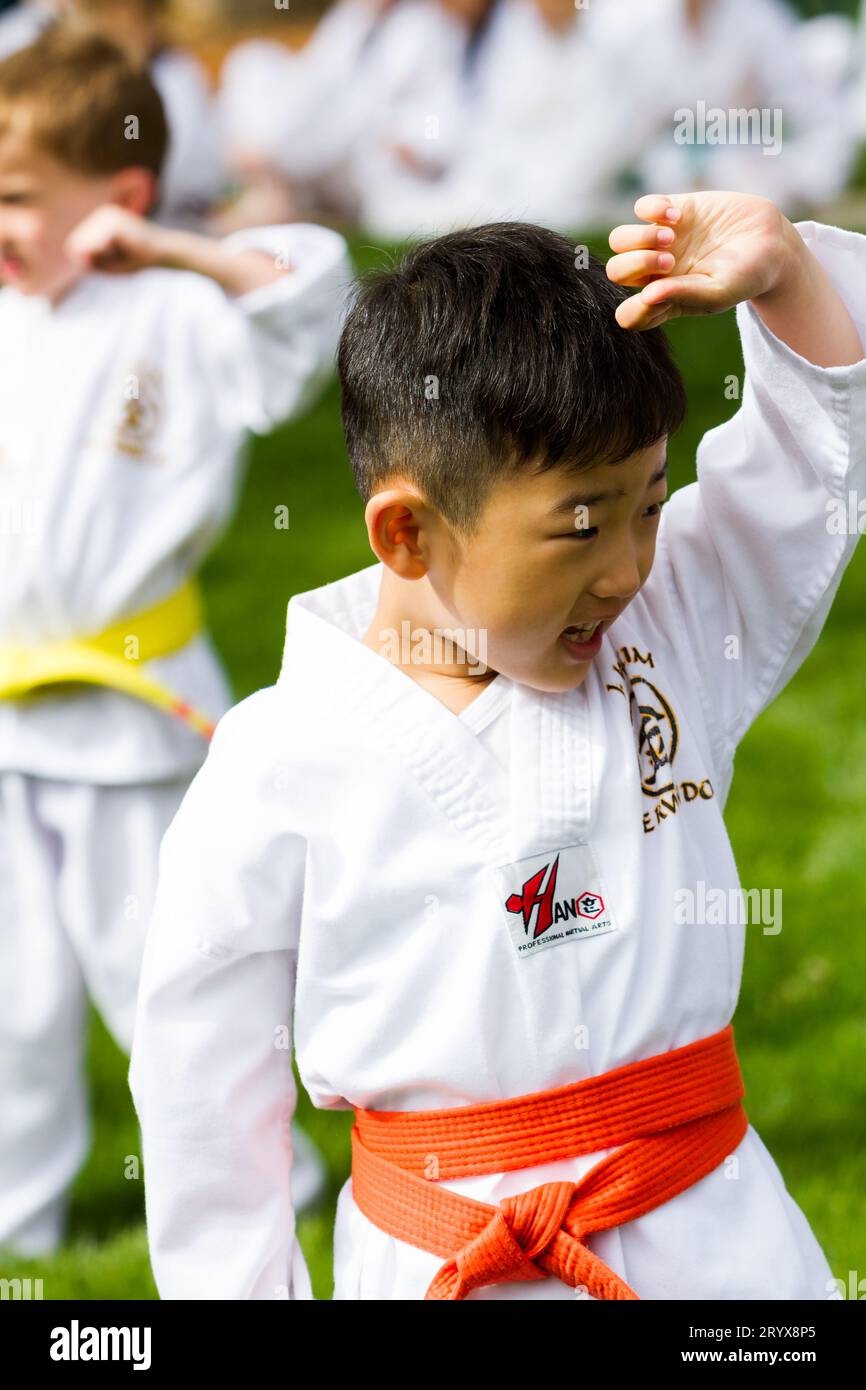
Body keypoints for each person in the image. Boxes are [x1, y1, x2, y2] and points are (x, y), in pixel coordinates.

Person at [129, 190, 865, 1299]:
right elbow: (202, 1091)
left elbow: (806, 477)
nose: (626, 569)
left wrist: (788, 278)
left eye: (650, 505)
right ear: (408, 531)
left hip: (714, 1243)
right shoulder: (278, 764)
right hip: (446, 1251)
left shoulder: (670, 630)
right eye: (582, 524)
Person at [0, 27, 350, 1255]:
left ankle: (267, 1181)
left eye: (18, 196)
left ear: (123, 194)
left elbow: (313, 288)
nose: (2, 223)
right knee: (11, 993)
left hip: (128, 706)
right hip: (7, 721)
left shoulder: (180, 314)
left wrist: (168, 249)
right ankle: (22, 1224)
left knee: (165, 973)